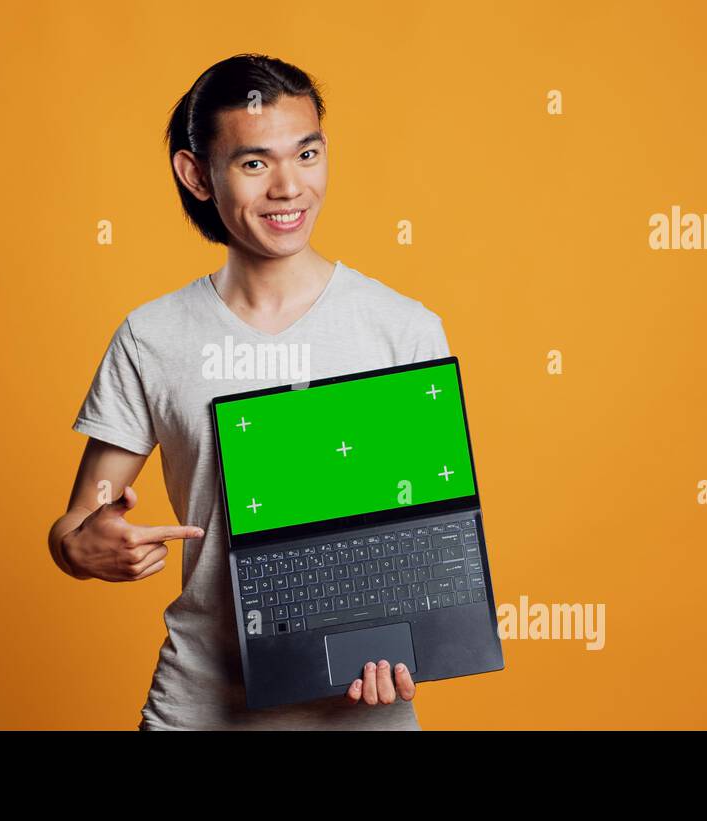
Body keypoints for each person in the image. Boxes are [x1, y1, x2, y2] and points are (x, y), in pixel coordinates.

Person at [47, 54, 450, 730]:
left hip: (362, 711)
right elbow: (72, 526)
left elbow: (435, 548)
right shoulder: (153, 337)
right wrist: (80, 546)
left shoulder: (402, 329)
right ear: (197, 175)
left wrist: (420, 636)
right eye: (255, 163)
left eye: (308, 153)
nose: (290, 187)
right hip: (199, 707)